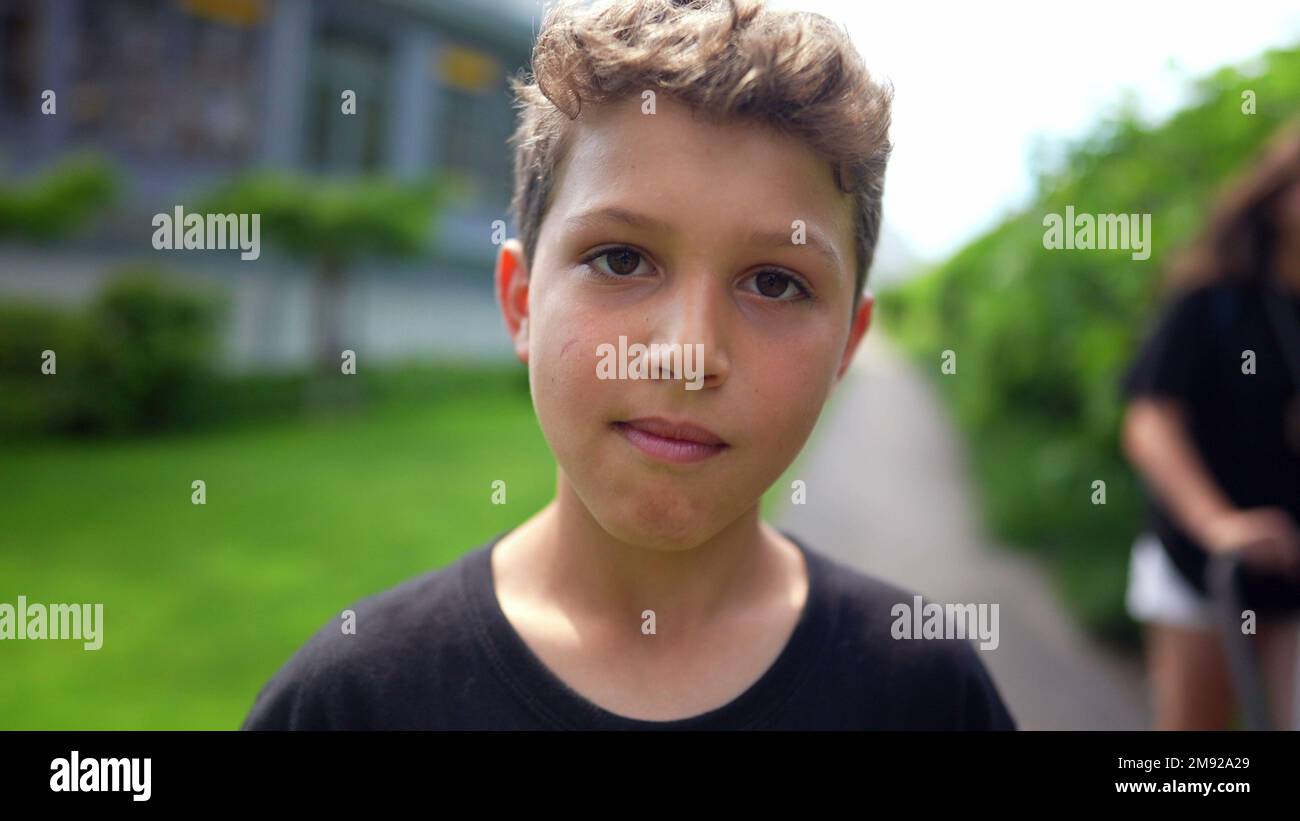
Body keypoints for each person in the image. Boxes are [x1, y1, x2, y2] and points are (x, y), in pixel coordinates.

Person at [240, 0, 1015, 731]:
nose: (688, 355)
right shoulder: (351, 703)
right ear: (521, 303)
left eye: (775, 282)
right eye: (621, 258)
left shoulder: (927, 695)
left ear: (849, 341)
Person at [1121, 121, 1300, 730]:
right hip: (1203, 571)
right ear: (1278, 199)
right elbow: (1149, 423)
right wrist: (1218, 524)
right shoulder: (1214, 302)